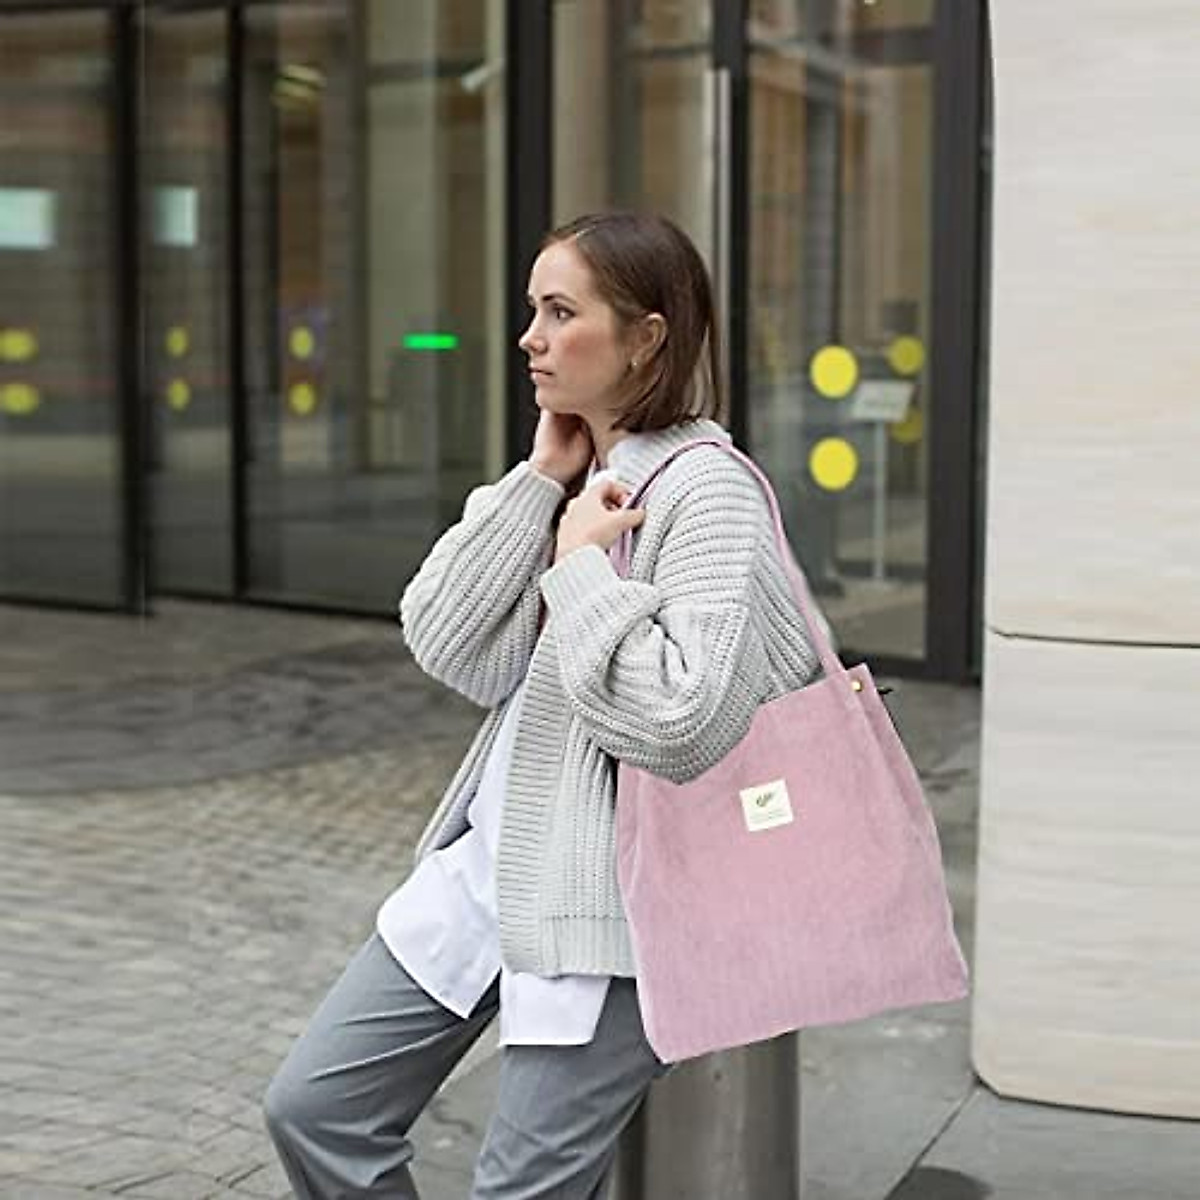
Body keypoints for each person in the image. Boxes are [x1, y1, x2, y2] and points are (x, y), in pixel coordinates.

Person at [262, 211, 822, 1198]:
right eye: (533, 311)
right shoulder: (581, 480)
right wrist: (538, 485)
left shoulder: (709, 492)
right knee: (315, 1109)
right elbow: (447, 642)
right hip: (492, 868)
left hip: (611, 903)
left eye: (561, 313)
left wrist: (581, 573)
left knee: (521, 1189)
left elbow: (684, 720)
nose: (530, 338)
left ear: (645, 336)